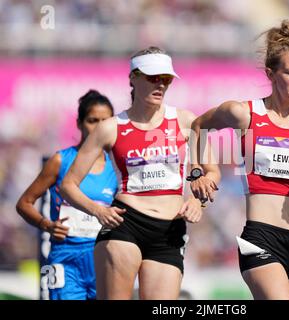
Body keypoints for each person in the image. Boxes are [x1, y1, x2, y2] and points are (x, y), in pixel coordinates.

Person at [190, 20, 289, 300]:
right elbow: (198, 126)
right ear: (271, 73)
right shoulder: (245, 113)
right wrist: (201, 171)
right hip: (260, 237)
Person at [60, 47, 220, 300]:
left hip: (170, 230)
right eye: (152, 78)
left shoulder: (186, 121)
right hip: (126, 224)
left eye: (166, 79)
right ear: (133, 78)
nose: (161, 85)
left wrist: (197, 200)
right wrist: (98, 210)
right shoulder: (110, 128)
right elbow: (67, 185)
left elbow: (212, 172)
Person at [16, 89, 117, 300]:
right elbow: (24, 203)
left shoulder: (117, 166)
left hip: (104, 256)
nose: (98, 127)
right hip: (65, 258)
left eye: (104, 121)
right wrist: (47, 225)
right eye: (92, 120)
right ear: (80, 123)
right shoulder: (60, 161)